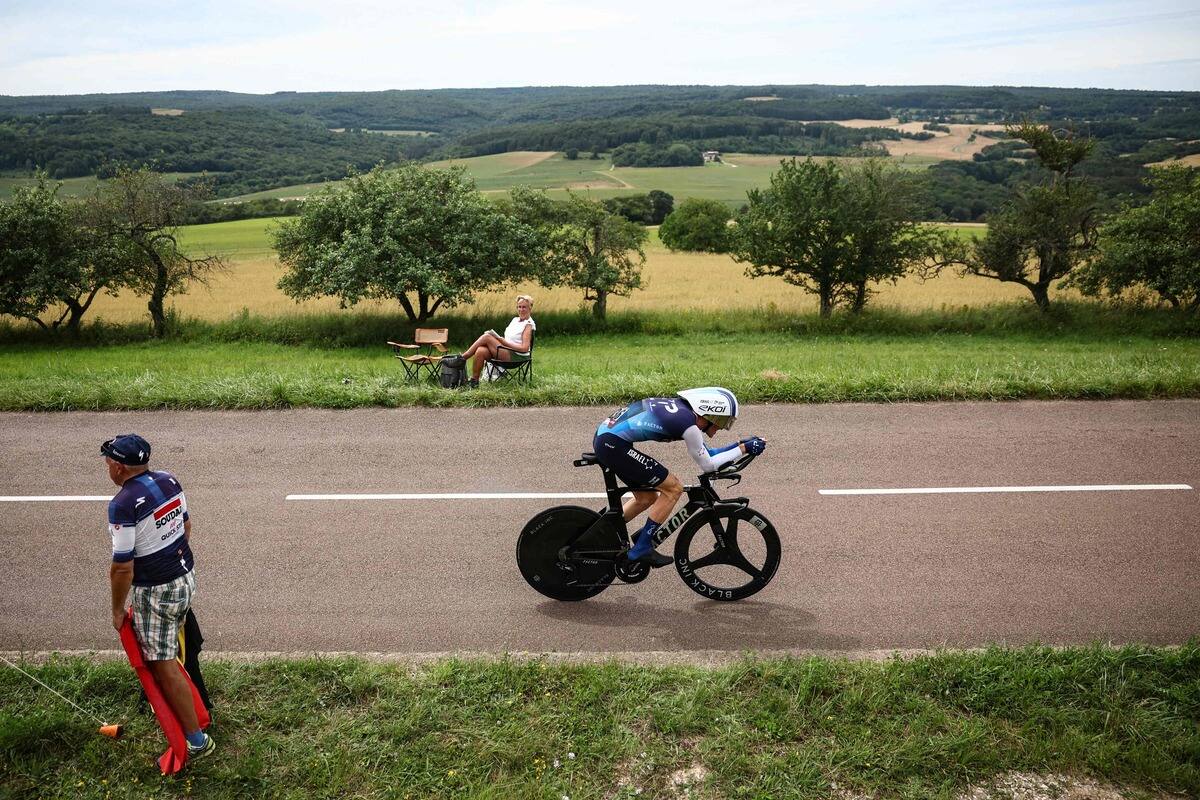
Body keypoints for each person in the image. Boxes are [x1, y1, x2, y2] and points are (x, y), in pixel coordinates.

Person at [102, 434, 214, 762]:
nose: (107, 466)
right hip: (184, 576)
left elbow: (122, 567)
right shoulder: (168, 479)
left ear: (120, 467)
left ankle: (196, 740)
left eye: (108, 461)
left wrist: (116, 610)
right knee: (177, 650)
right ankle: (188, 711)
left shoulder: (121, 504)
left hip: (157, 590)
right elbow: (186, 525)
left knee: (162, 662)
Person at [593, 387, 767, 567]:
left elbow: (708, 453)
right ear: (707, 413)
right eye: (719, 422)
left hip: (607, 439)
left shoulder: (683, 412)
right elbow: (708, 465)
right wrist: (745, 449)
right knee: (673, 489)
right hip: (612, 445)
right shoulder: (689, 425)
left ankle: (598, 534)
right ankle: (642, 547)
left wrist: (738, 445)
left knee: (647, 497)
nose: (718, 429)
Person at [458, 294, 536, 387]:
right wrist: (499, 340)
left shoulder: (528, 324)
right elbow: (510, 339)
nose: (521, 309)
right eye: (519, 307)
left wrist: (503, 342)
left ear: (530, 308)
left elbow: (524, 348)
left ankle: (463, 358)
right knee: (481, 351)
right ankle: (474, 382)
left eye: (524, 307)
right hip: (506, 350)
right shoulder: (515, 320)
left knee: (487, 337)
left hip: (517, 356)